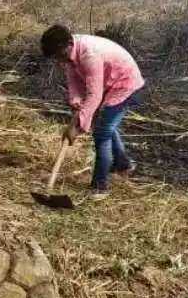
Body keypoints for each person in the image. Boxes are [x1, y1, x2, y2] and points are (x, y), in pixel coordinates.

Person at [40, 24, 146, 200]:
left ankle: (100, 187)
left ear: (68, 44)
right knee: (106, 127)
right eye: (56, 58)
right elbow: (74, 81)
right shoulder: (69, 53)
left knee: (101, 133)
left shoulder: (89, 54)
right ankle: (123, 165)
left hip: (125, 84)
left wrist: (78, 125)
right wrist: (76, 102)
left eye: (60, 56)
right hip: (108, 84)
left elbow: (94, 95)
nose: (60, 61)